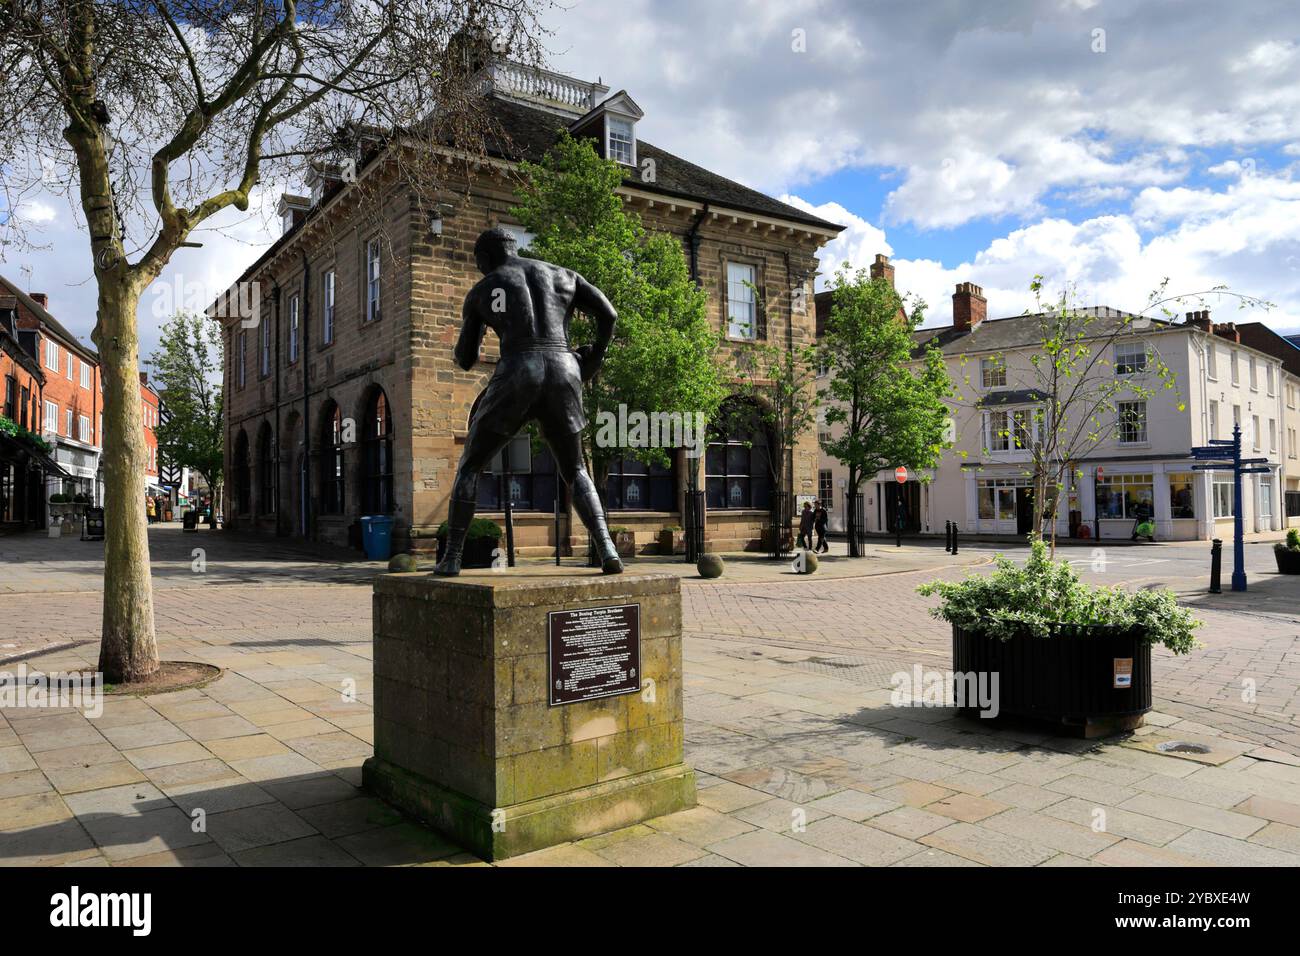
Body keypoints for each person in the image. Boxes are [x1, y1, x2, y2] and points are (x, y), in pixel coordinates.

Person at [434, 227, 623, 576]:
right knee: (576, 469)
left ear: (486, 258)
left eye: (479, 264)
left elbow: (465, 358)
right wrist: (594, 360)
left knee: (470, 466)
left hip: (518, 369)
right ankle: (606, 547)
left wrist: (467, 336)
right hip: (564, 369)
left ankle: (453, 558)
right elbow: (608, 315)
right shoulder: (563, 274)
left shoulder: (483, 289)